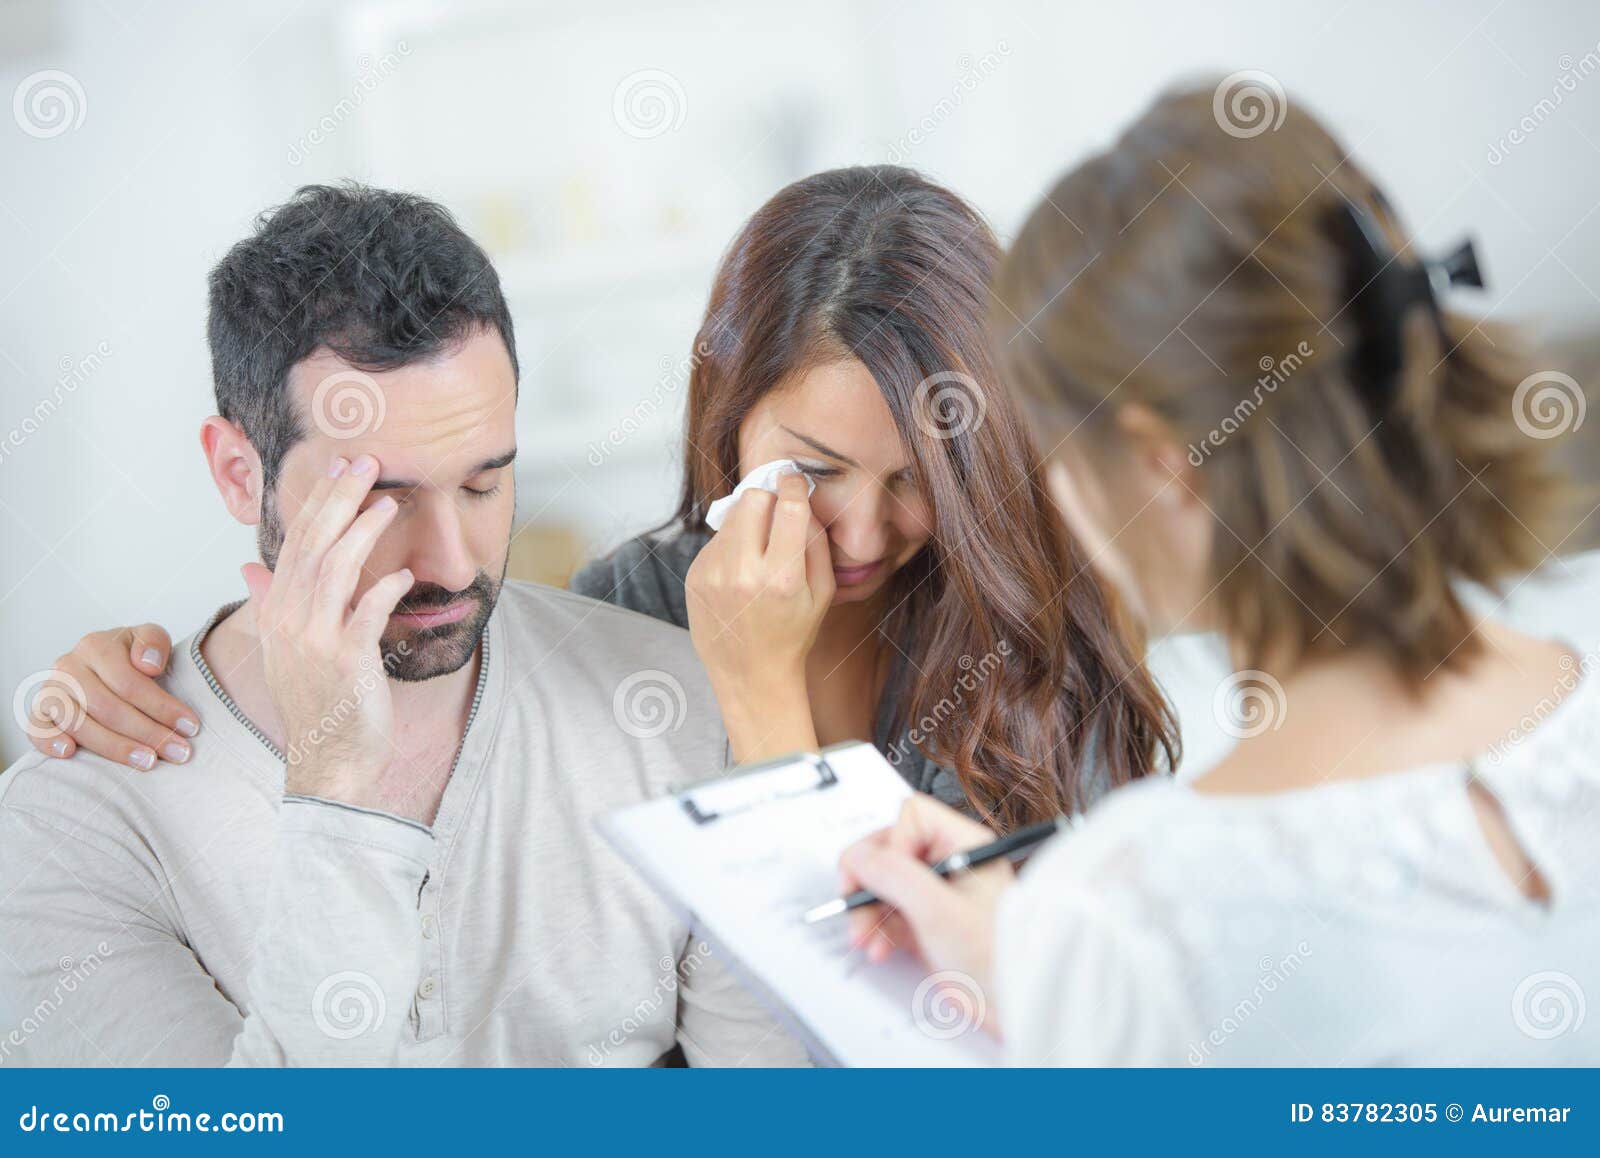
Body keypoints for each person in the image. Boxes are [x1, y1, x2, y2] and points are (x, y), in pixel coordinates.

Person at [29, 166, 1176, 830]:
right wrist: (127, 673)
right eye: (818, 470)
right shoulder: (623, 607)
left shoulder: (1038, 624)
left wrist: (764, 700)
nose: (865, 532)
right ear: (727, 411)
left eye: (919, 484)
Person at [837, 87, 1600, 1064]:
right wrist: (1050, 979)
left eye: (1056, 456)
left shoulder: (1136, 904)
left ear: (1163, 469)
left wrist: (1076, 980)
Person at [0, 183, 807, 1066]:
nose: (455, 562)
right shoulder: (73, 822)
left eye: (484, 482)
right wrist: (337, 784)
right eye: (384, 496)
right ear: (240, 473)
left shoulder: (675, 700)